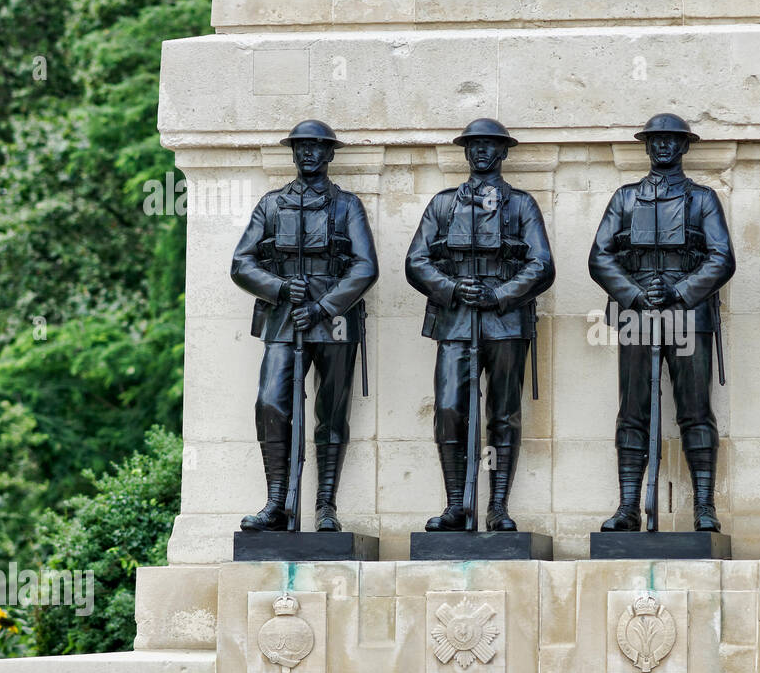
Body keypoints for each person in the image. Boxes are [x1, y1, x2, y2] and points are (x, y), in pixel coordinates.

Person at [588, 113, 735, 532]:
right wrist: (635, 294)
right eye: (656, 140)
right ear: (647, 146)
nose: (664, 146)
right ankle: (628, 505)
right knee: (632, 410)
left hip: (688, 314)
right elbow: (601, 256)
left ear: (684, 146)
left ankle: (704, 506)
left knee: (695, 410)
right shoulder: (625, 198)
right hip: (637, 316)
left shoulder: (702, 199)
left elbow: (721, 257)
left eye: (672, 140)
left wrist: (678, 291)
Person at [405, 118, 554, 531]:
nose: (482, 151)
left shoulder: (521, 204)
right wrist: (452, 287)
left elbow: (542, 264)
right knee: (450, 409)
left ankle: (498, 506)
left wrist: (499, 294)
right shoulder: (443, 204)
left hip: (506, 322)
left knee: (503, 414)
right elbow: (416, 261)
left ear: (503, 152)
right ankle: (457, 503)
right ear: (466, 152)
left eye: (490, 145)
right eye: (475, 145)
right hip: (454, 321)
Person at [232, 120, 379, 532]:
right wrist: (280, 287)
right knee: (271, 403)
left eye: (317, 147)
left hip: (333, 321)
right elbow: (242, 264)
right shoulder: (272, 204)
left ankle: (325, 505)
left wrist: (322, 307)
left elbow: (366, 267)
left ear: (330, 154)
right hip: (283, 319)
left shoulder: (347, 205)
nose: (309, 153)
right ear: (293, 153)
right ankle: (277, 501)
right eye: (301, 147)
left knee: (331, 412)